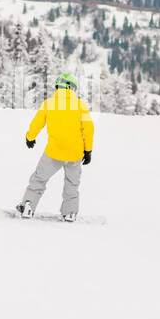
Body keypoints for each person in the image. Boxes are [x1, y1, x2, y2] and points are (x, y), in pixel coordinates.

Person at [17, 74, 94, 222]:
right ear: (72, 88)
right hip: (75, 153)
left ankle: (28, 206)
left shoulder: (49, 104)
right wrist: (88, 150)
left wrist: (30, 137)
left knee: (39, 179)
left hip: (53, 152)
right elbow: (88, 129)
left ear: (58, 87)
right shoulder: (80, 105)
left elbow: (37, 123)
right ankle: (70, 212)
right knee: (72, 184)